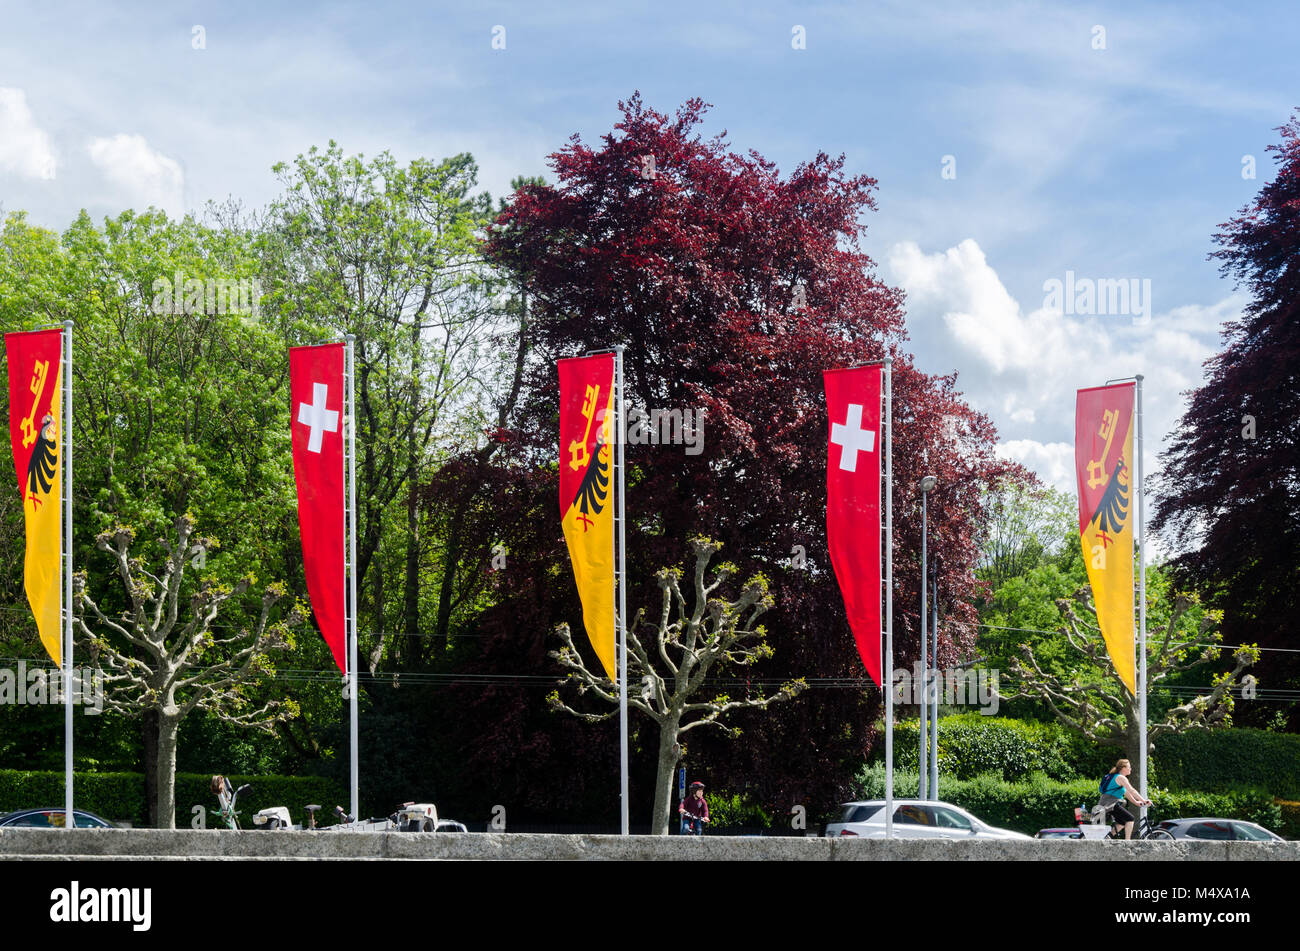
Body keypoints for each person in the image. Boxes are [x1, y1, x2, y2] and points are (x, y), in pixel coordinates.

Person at [1098, 758, 1151, 840]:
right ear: (1123, 768)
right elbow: (1132, 790)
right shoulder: (1121, 778)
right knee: (1130, 818)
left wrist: (1137, 802)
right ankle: (1127, 842)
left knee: (1122, 823)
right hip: (1111, 803)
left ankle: (1107, 838)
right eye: (1129, 767)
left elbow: (1127, 793)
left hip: (1107, 803)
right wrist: (1144, 800)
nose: (1130, 769)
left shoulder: (1116, 777)